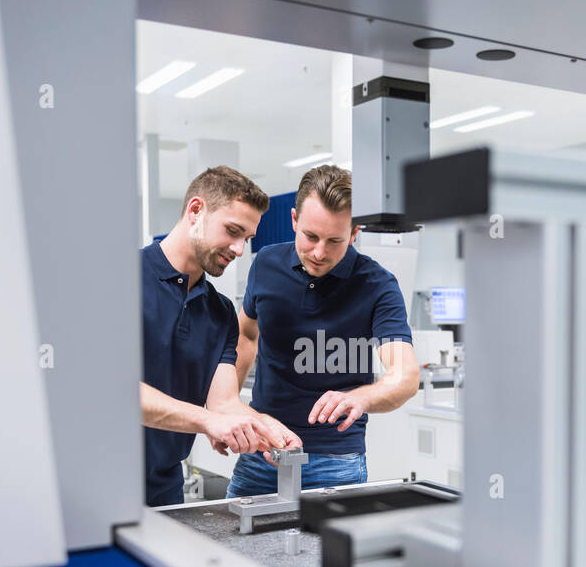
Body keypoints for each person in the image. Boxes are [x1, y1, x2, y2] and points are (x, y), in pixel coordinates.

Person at [229, 165, 419, 497]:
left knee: (328, 551)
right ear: (293, 220)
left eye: (335, 241)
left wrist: (360, 397)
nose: (319, 253)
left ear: (355, 232)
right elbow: (246, 335)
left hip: (336, 460)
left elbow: (405, 376)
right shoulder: (266, 264)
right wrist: (228, 405)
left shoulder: (378, 285)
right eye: (311, 237)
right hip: (263, 452)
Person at [140, 166, 301, 507]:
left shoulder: (221, 312)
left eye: (248, 238)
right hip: (94, 483)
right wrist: (208, 422)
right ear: (195, 211)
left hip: (164, 490)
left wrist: (264, 426)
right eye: (232, 231)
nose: (240, 249)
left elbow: (223, 403)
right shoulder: (119, 278)